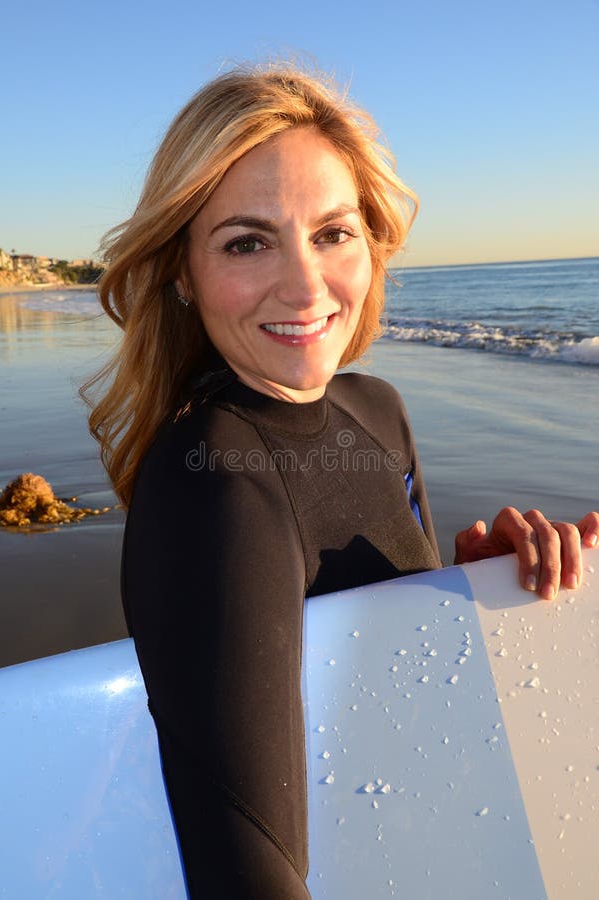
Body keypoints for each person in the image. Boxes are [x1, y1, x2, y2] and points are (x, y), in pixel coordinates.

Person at [83, 64, 598, 898]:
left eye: (332, 233)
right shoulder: (214, 477)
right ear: (181, 271)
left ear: (371, 243)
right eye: (247, 242)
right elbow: (247, 874)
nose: (305, 285)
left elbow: (377, 676)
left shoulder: (378, 411)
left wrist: (472, 589)